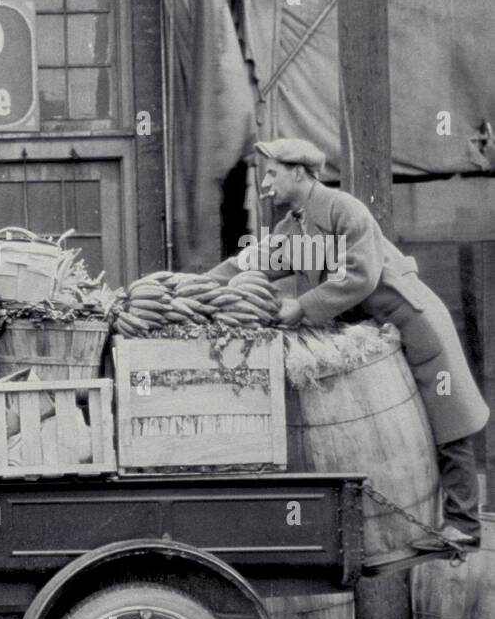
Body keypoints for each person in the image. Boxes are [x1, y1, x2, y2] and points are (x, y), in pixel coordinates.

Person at [208, 138, 490, 549]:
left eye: (272, 173)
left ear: (299, 173)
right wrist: (195, 286)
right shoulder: (292, 229)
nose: (265, 184)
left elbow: (361, 276)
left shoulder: (346, 211)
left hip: (412, 319)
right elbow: (247, 264)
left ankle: (464, 526)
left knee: (449, 420)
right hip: (377, 334)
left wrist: (302, 307)